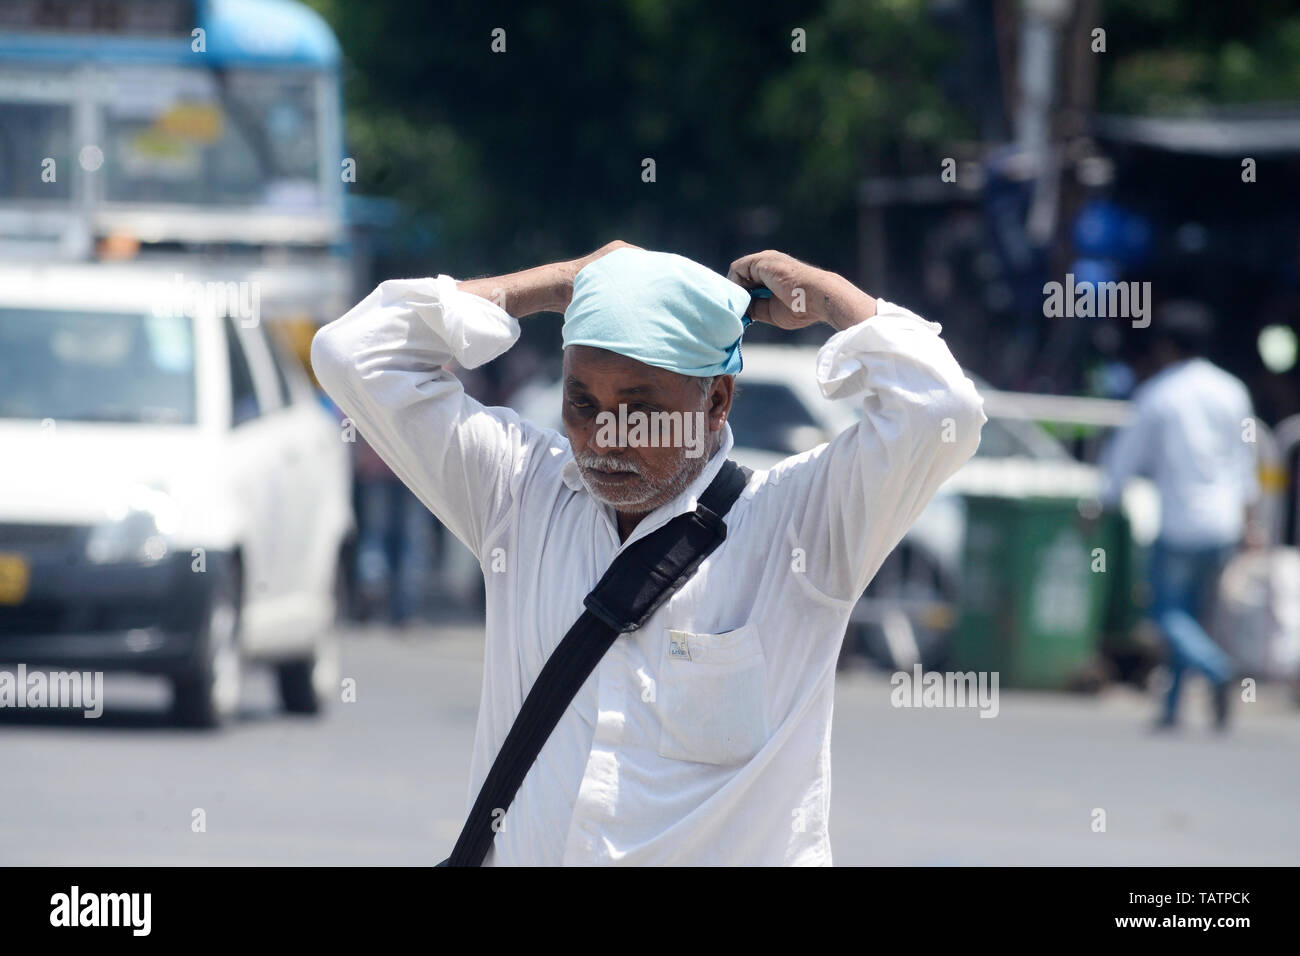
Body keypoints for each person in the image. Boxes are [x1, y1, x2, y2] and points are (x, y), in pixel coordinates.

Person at [311, 241, 985, 865]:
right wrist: (558, 284)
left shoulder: (800, 526)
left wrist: (831, 297)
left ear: (716, 400)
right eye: (581, 402)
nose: (604, 436)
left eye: (639, 408)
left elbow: (940, 409)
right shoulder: (520, 494)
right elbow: (354, 353)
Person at [1100, 301, 1261, 731]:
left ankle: (1215, 669)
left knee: (1167, 616)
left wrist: (1103, 502)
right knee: (1192, 618)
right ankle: (1171, 709)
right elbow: (1246, 462)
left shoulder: (1160, 394)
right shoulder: (1232, 391)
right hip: (1223, 523)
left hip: (1178, 523)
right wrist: (1251, 522)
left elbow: (1123, 459)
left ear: (1167, 346)